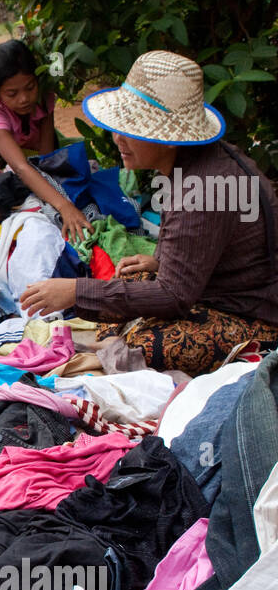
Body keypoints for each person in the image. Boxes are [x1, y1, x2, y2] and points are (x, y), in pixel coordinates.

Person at [21, 51, 278, 375]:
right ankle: (113, 348)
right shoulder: (201, 166)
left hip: (256, 320)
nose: (118, 139)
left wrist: (74, 292)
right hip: (216, 292)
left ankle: (112, 352)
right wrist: (161, 262)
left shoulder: (205, 188)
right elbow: (210, 249)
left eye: (130, 131)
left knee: (145, 343)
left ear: (168, 139)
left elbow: (173, 296)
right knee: (127, 284)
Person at [0, 39, 92, 244]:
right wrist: (64, 206)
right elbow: (19, 166)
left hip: (28, 153)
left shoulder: (44, 97)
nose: (24, 98)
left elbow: (46, 158)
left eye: (29, 87)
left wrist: (55, 189)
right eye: (12, 93)